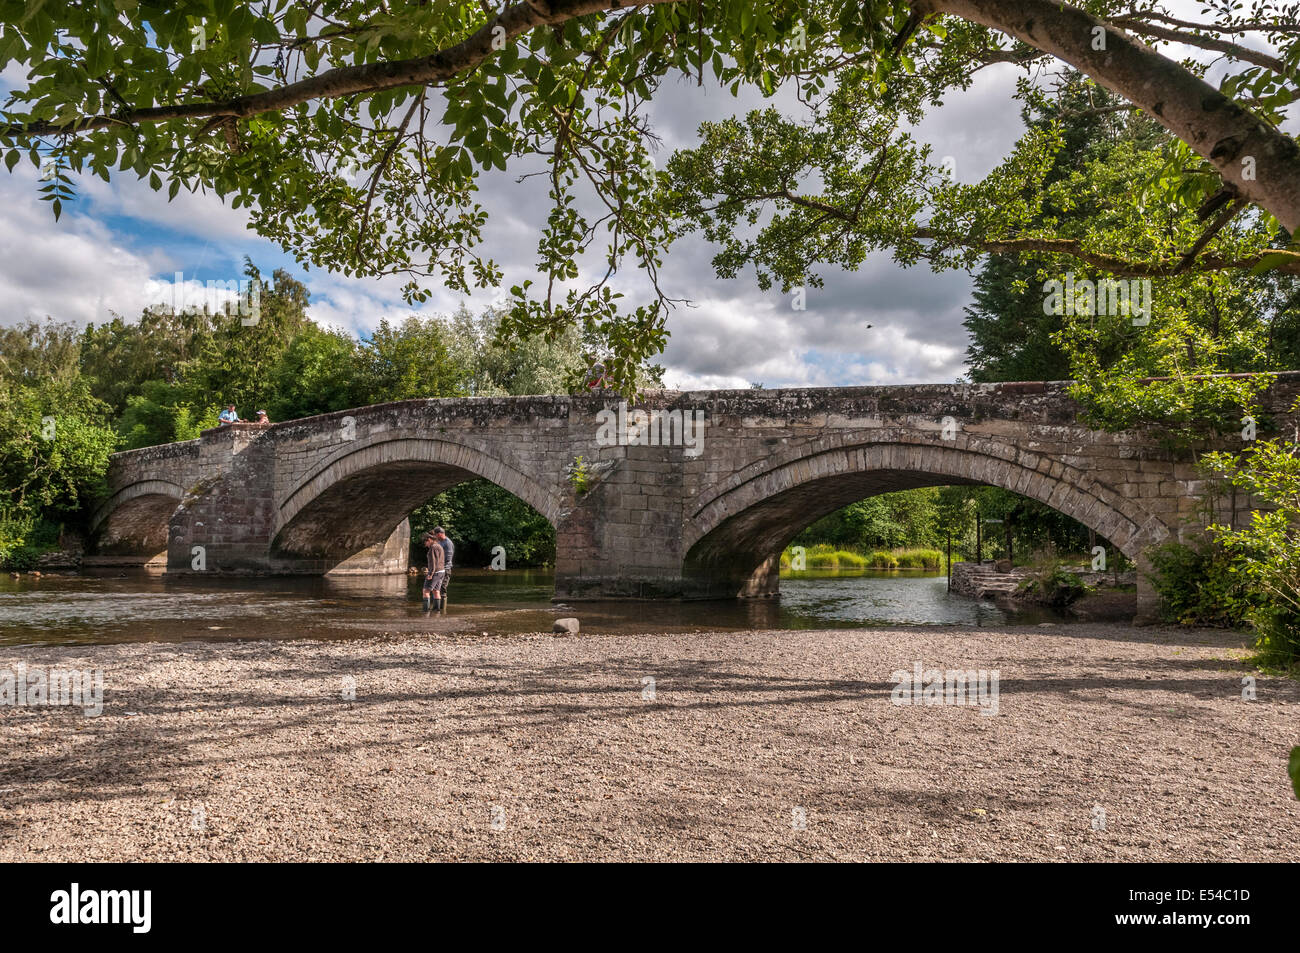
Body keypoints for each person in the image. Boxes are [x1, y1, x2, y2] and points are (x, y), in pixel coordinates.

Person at [421, 530, 446, 611]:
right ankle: (436, 610)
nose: (425, 544)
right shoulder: (439, 546)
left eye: (425, 542)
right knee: (436, 591)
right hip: (441, 571)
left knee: (425, 591)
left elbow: (434, 563)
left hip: (435, 572)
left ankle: (425, 611)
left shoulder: (433, 547)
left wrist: (430, 574)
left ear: (429, 539)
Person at [434, 527, 454, 610]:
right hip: (439, 568)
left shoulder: (447, 543)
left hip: (445, 569)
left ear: (439, 534)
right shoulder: (439, 541)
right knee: (436, 587)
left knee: (443, 587)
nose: (435, 536)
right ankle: (437, 608)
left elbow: (448, 558)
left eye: (435, 534)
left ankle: (442, 609)